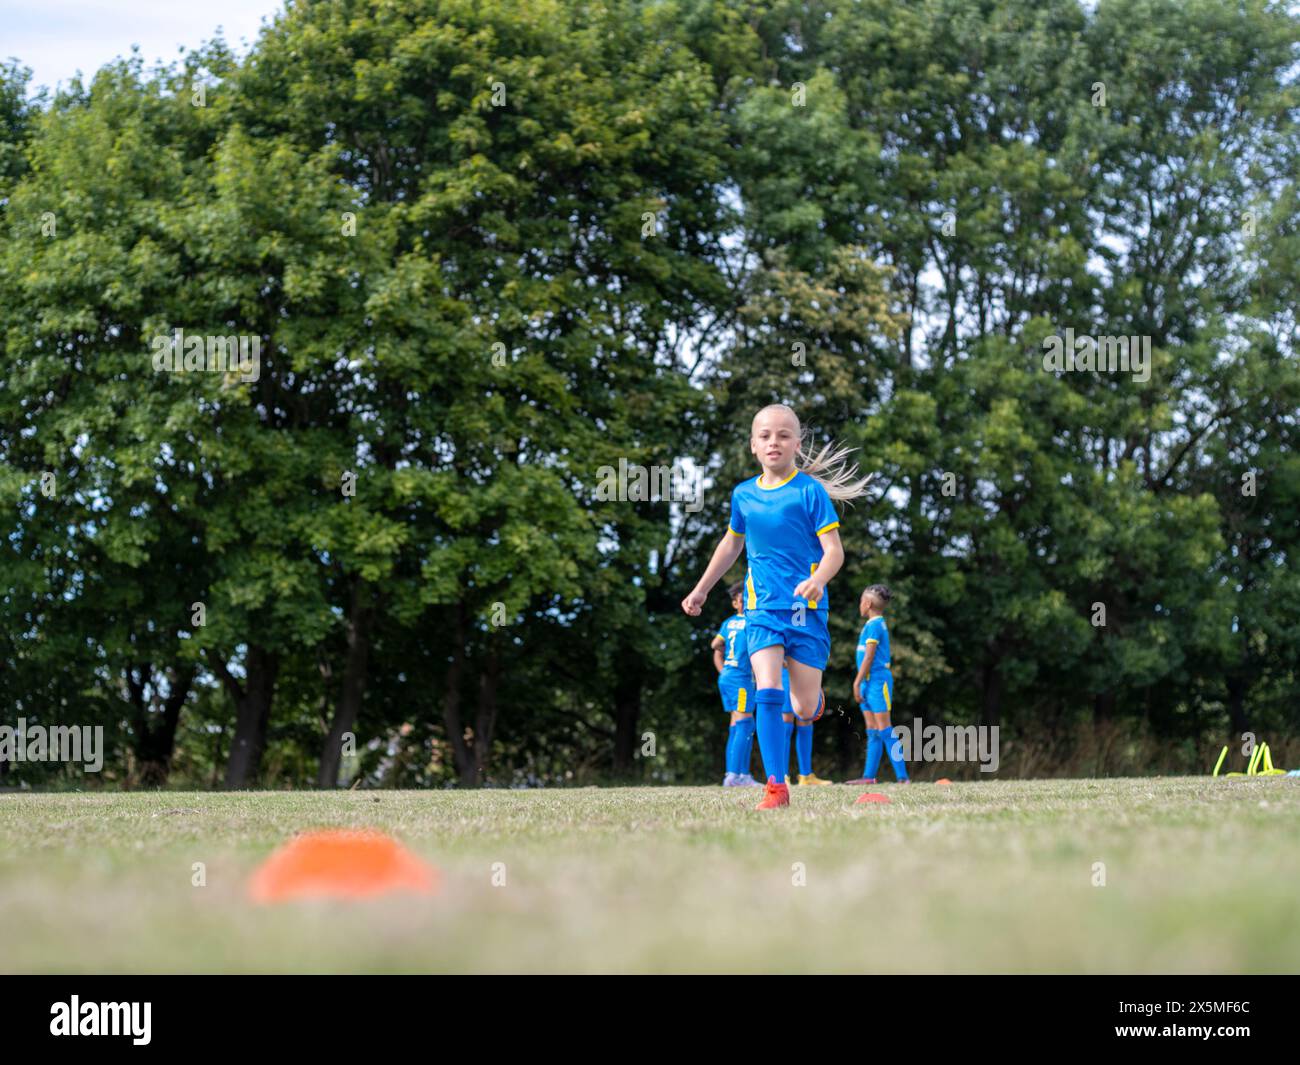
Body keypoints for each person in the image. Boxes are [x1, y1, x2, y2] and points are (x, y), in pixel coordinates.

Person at [682, 404, 869, 809]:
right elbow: (731, 545)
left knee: (802, 705)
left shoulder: (810, 492)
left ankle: (815, 702)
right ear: (753, 445)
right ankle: (776, 786)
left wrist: (818, 580)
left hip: (806, 611)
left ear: (797, 445)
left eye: (783, 435)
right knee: (766, 688)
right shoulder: (743, 495)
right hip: (761, 610)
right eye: (765, 435)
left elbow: (834, 551)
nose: (774, 442)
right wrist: (701, 590)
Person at [846, 584, 909, 785]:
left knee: (885, 729)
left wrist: (856, 682)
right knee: (872, 730)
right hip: (868, 682)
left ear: (868, 603)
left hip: (877, 681)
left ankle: (903, 777)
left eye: (861, 601)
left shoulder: (874, 626)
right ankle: (868, 777)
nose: (859, 605)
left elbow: (869, 658)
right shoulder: (871, 624)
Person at [712, 582, 761, 786]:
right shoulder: (751, 622)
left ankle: (738, 774)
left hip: (727, 677)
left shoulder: (728, 623)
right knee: (745, 724)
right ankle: (735, 775)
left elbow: (715, 645)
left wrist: (725, 671)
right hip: (741, 680)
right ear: (737, 603)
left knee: (736, 725)